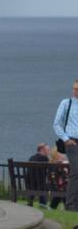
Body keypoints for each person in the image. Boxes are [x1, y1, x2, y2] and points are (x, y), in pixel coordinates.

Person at [52, 80, 78, 211]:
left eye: (77, 89)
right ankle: (70, 205)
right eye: (74, 89)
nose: (75, 91)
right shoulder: (66, 103)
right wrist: (66, 139)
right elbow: (56, 124)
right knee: (76, 171)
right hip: (71, 142)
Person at [27, 143, 51, 207]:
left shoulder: (31, 158)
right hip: (40, 184)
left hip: (30, 184)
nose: (49, 152)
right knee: (46, 185)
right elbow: (49, 170)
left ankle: (30, 202)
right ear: (42, 150)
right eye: (48, 150)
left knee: (39, 184)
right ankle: (43, 204)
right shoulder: (45, 158)